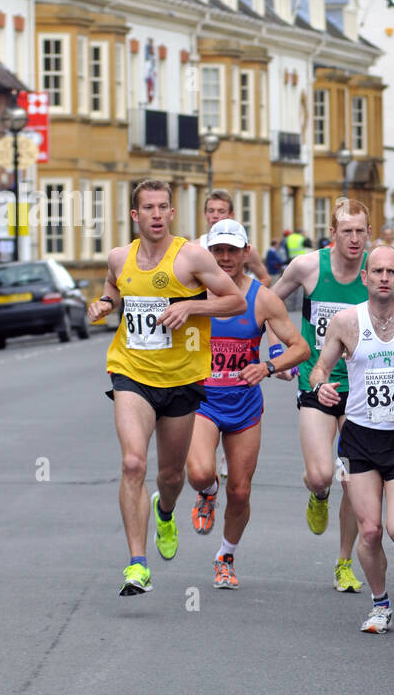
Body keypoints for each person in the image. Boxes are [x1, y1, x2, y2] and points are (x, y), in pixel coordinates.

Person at [86, 179, 247, 596]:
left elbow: (235, 301)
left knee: (171, 475)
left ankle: (166, 509)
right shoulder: (120, 257)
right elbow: (113, 286)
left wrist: (191, 305)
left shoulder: (190, 256)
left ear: (172, 214)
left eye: (163, 207)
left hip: (181, 379)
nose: (157, 214)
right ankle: (137, 564)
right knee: (133, 464)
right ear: (135, 216)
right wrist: (104, 304)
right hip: (131, 372)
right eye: (148, 208)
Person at [186, 219, 309, 589]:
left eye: (231, 251)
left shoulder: (262, 299)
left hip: (243, 405)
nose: (224, 258)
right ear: (208, 253)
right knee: (200, 472)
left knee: (240, 489)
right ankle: (207, 493)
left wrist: (268, 366)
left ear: (246, 253)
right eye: (217, 250)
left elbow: (300, 347)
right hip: (202, 400)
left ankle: (225, 554)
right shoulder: (192, 293)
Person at [311, 245, 394, 634]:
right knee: (370, 529)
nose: (383, 278)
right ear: (365, 277)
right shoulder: (345, 321)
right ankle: (380, 605)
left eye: (391, 272)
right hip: (360, 435)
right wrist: (323, 386)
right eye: (376, 271)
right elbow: (320, 368)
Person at [271, 197, 371, 592]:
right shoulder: (308, 267)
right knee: (322, 474)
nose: (354, 239)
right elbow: (267, 302)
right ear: (332, 233)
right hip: (317, 381)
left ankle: (344, 563)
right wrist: (279, 351)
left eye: (361, 231)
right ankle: (317, 494)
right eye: (346, 231)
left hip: (363, 387)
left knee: (353, 479)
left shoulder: (374, 270)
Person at [199, 189, 270, 285]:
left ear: (231, 215)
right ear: (205, 214)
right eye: (211, 211)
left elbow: (265, 279)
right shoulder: (195, 247)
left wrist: (247, 297)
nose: (215, 216)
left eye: (221, 211)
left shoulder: (245, 249)